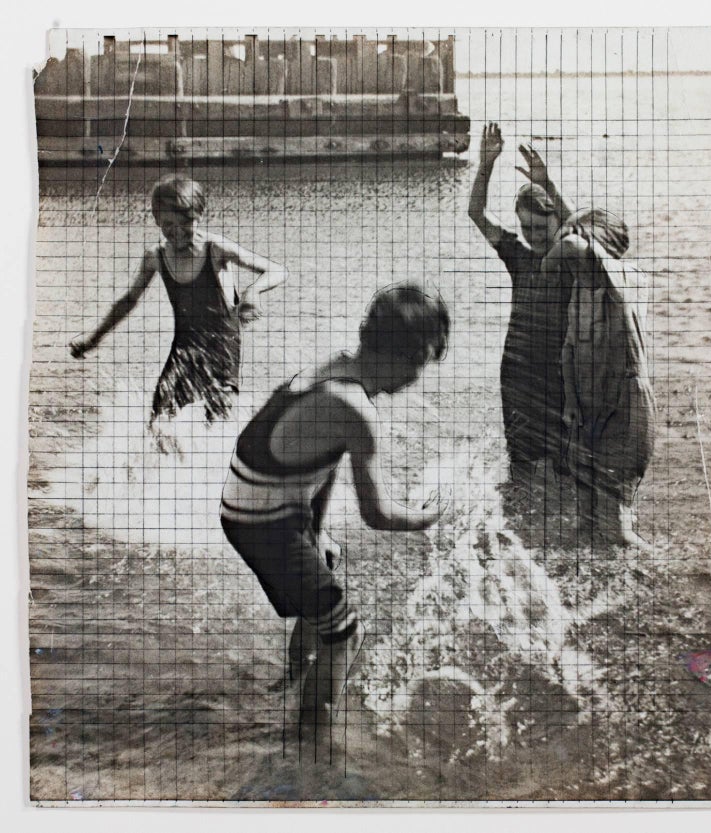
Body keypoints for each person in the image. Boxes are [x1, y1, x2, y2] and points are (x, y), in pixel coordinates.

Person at [219, 284, 451, 753]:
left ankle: (293, 681)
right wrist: (428, 518)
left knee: (323, 584)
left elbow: (324, 462)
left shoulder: (337, 368)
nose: (417, 380)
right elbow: (377, 514)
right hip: (262, 520)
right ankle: (311, 745)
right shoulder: (356, 410)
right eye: (421, 365)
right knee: (346, 633)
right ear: (404, 356)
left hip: (254, 504)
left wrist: (318, 531)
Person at [69, 174, 287, 425]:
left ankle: (226, 456)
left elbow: (277, 270)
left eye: (186, 223)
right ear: (156, 220)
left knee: (218, 414)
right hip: (185, 345)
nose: (177, 232)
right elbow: (129, 300)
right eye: (168, 225)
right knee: (160, 416)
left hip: (223, 345)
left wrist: (252, 291)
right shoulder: (156, 257)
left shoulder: (215, 249)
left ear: (199, 216)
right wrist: (94, 339)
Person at [468, 123, 576, 495]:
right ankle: (521, 523)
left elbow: (585, 232)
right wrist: (486, 165)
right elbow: (476, 212)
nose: (534, 236)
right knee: (523, 462)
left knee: (567, 463)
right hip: (517, 369)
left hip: (561, 368)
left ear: (557, 223)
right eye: (527, 228)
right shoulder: (517, 253)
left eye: (542, 228)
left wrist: (547, 185)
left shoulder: (571, 256)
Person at [543, 208, 655, 549]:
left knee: (616, 523)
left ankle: (658, 577)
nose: (574, 269)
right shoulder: (580, 291)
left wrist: (554, 253)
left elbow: (574, 246)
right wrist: (573, 403)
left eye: (580, 261)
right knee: (586, 520)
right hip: (587, 407)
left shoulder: (627, 281)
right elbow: (569, 351)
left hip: (626, 410)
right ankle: (585, 588)